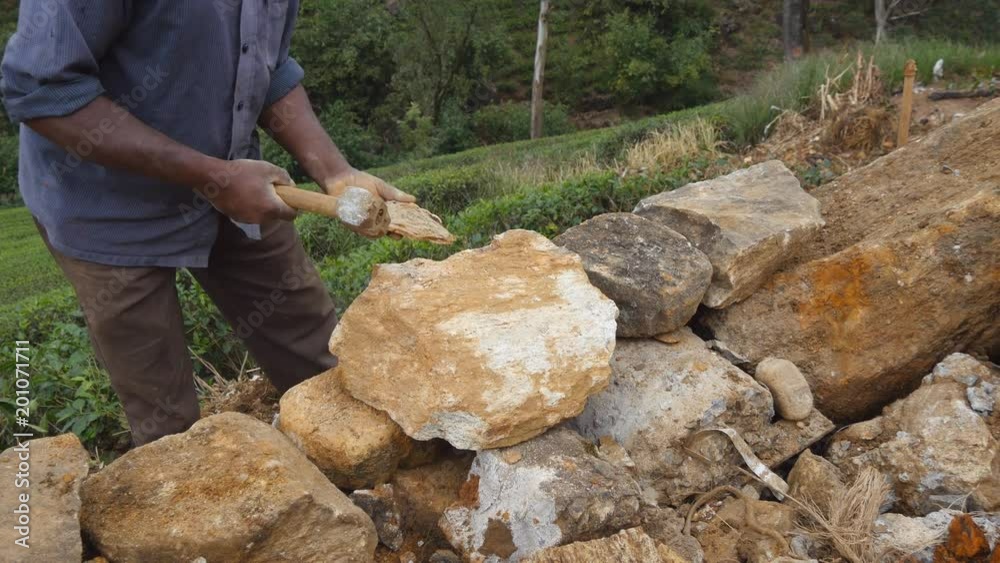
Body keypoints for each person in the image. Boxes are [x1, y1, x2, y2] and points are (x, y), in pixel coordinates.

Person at [0, 0, 413, 446]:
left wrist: (335, 171)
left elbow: (266, 66)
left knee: (321, 359)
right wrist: (211, 177)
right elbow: (42, 90)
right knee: (169, 425)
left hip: (236, 182)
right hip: (106, 209)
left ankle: (353, 476)